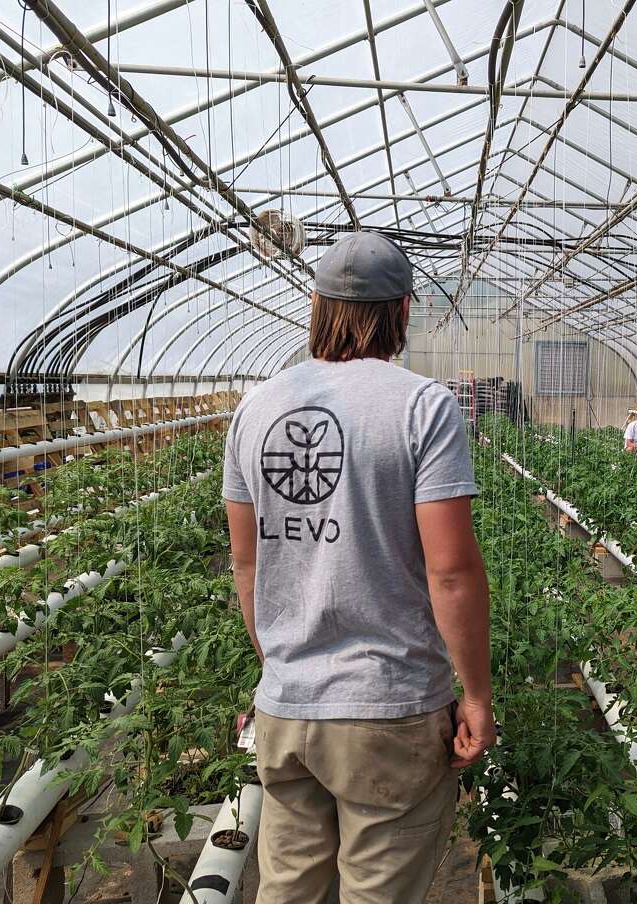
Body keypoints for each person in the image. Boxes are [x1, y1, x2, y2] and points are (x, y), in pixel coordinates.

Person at [222, 231, 495, 903]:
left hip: (287, 710)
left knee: (287, 891)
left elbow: (246, 566)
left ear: (314, 306)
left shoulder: (254, 410)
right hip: (389, 709)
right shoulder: (421, 406)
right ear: (402, 313)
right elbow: (452, 572)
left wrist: (276, 667)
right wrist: (478, 696)